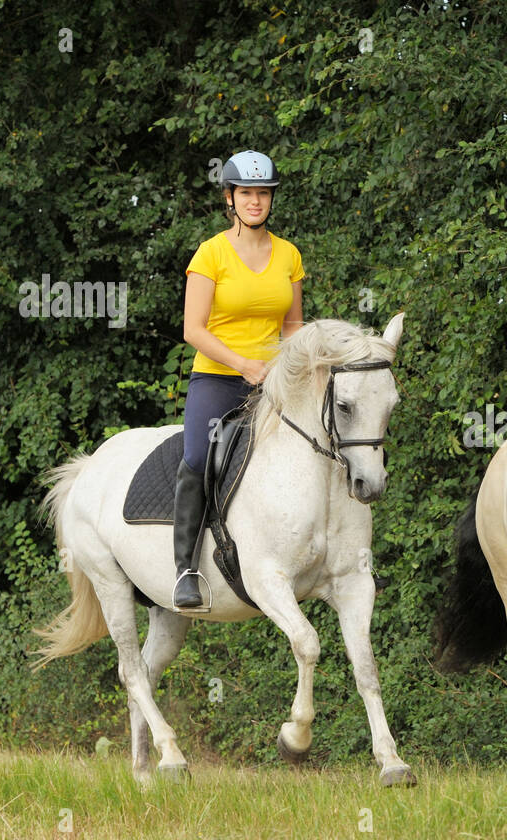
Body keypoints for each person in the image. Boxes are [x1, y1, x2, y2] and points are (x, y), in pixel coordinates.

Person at [172, 149, 305, 610]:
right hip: (219, 380)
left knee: (326, 440)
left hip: (273, 381)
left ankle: (344, 556)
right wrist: (244, 364)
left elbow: (292, 326)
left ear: (271, 200)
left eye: (262, 194)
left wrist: (293, 365)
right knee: (195, 458)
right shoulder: (211, 254)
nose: (255, 201)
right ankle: (185, 569)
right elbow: (193, 330)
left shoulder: (289, 255)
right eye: (246, 193)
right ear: (230, 198)